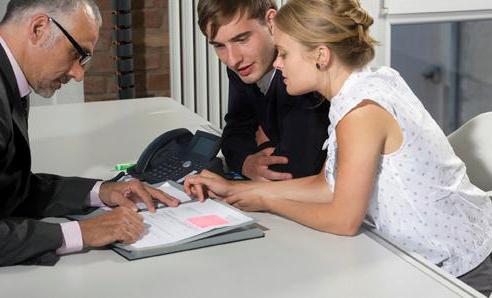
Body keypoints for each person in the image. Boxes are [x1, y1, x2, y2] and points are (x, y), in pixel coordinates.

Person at [186, 0, 492, 295]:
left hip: (460, 265)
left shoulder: (361, 112)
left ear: (321, 55)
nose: (277, 64)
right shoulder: (361, 89)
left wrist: (266, 202)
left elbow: (343, 220)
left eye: (283, 53)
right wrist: (238, 190)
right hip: (429, 253)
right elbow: (328, 185)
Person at [0, 0, 179, 267]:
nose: (78, 74)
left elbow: (10, 189)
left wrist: (100, 192)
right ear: (38, 28)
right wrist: (82, 232)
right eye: (76, 54)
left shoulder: (12, 79)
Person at [197, 0, 330, 181]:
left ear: (271, 21)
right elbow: (235, 132)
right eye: (219, 45)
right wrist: (246, 162)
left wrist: (264, 143)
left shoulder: (304, 72)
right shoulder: (244, 65)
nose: (232, 59)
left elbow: (294, 169)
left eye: (242, 39)